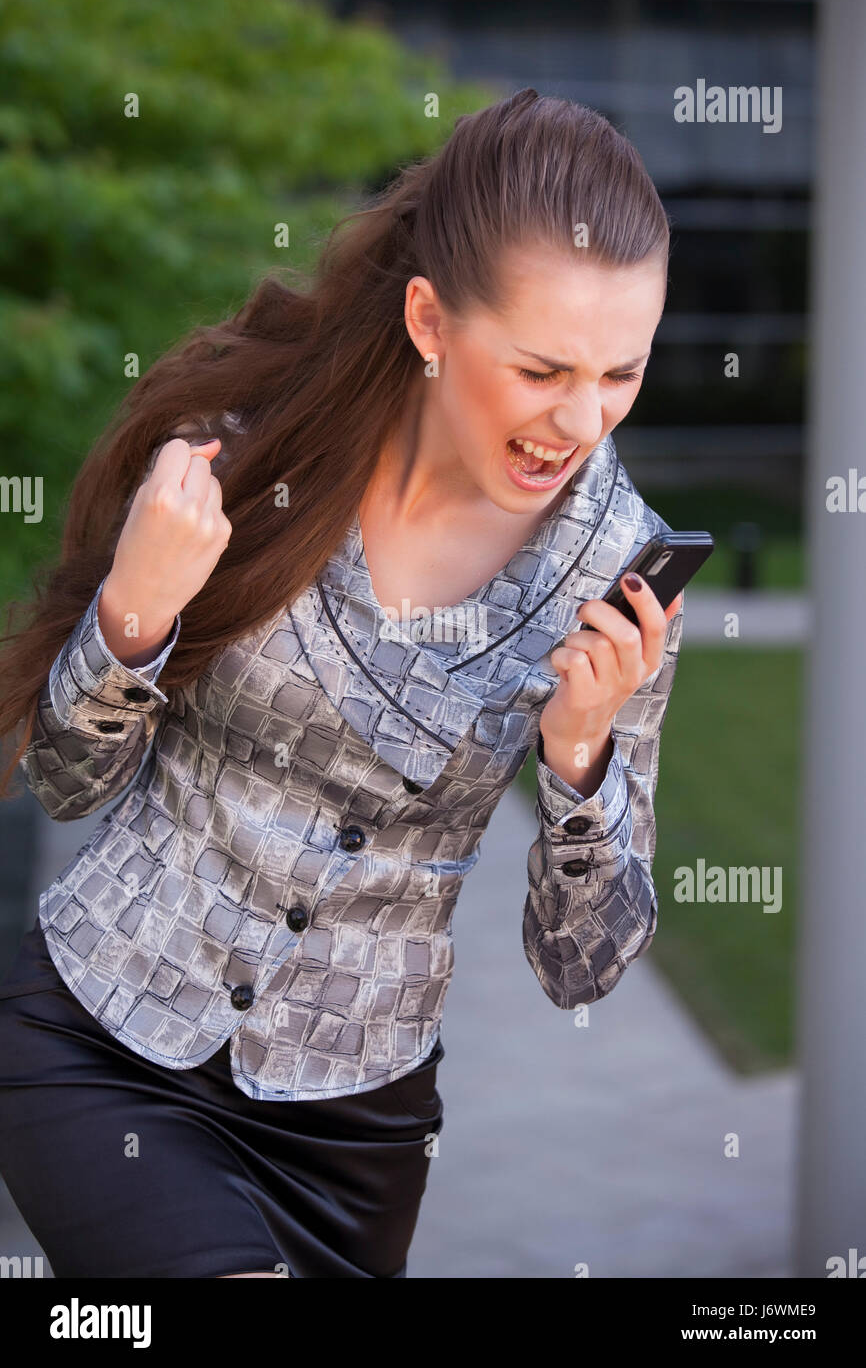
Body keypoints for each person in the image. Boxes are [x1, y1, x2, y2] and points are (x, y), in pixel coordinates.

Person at [0, 87, 684, 1278]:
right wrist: (135, 613)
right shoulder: (251, 453)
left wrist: (578, 760)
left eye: (619, 373)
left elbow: (580, 965)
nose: (578, 419)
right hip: (102, 1034)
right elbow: (65, 781)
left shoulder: (618, 575)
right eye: (539, 368)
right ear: (429, 319)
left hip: (349, 1137)